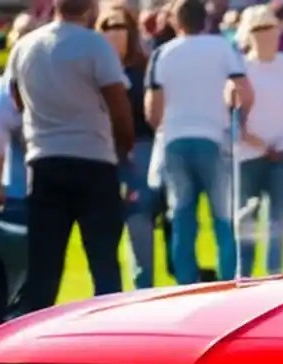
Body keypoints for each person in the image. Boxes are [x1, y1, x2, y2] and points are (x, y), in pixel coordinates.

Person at [8, 0, 135, 314]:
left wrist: (40, 127)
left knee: (43, 267)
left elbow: (16, 96)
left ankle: (32, 332)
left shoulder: (25, 47)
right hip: (94, 160)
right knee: (104, 264)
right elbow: (119, 106)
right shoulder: (95, 46)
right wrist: (123, 150)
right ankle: (109, 329)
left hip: (44, 161)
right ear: (90, 7)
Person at [145, 0, 254, 283]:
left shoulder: (163, 53)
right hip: (213, 137)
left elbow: (152, 108)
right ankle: (229, 278)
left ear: (176, 22)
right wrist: (239, 122)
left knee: (182, 215)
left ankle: (186, 280)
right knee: (223, 216)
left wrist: (163, 127)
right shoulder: (222, 47)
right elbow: (244, 90)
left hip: (175, 139)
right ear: (204, 20)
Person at [233, 3, 283, 277]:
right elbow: (233, 115)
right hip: (248, 153)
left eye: (270, 29)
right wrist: (258, 143)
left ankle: (273, 273)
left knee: (277, 217)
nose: (266, 35)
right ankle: (244, 274)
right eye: (259, 30)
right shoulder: (241, 69)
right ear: (247, 34)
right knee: (247, 217)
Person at [96, 4, 159, 290]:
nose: (114, 32)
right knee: (104, 225)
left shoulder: (142, 69)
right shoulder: (94, 67)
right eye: (108, 26)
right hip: (102, 153)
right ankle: (109, 293)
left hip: (139, 151)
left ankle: (144, 287)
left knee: (138, 218)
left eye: (120, 26)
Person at [0, 13, 38, 214]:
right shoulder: (2, 93)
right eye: (22, 33)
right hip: (19, 190)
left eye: (31, 33)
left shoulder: (52, 79)